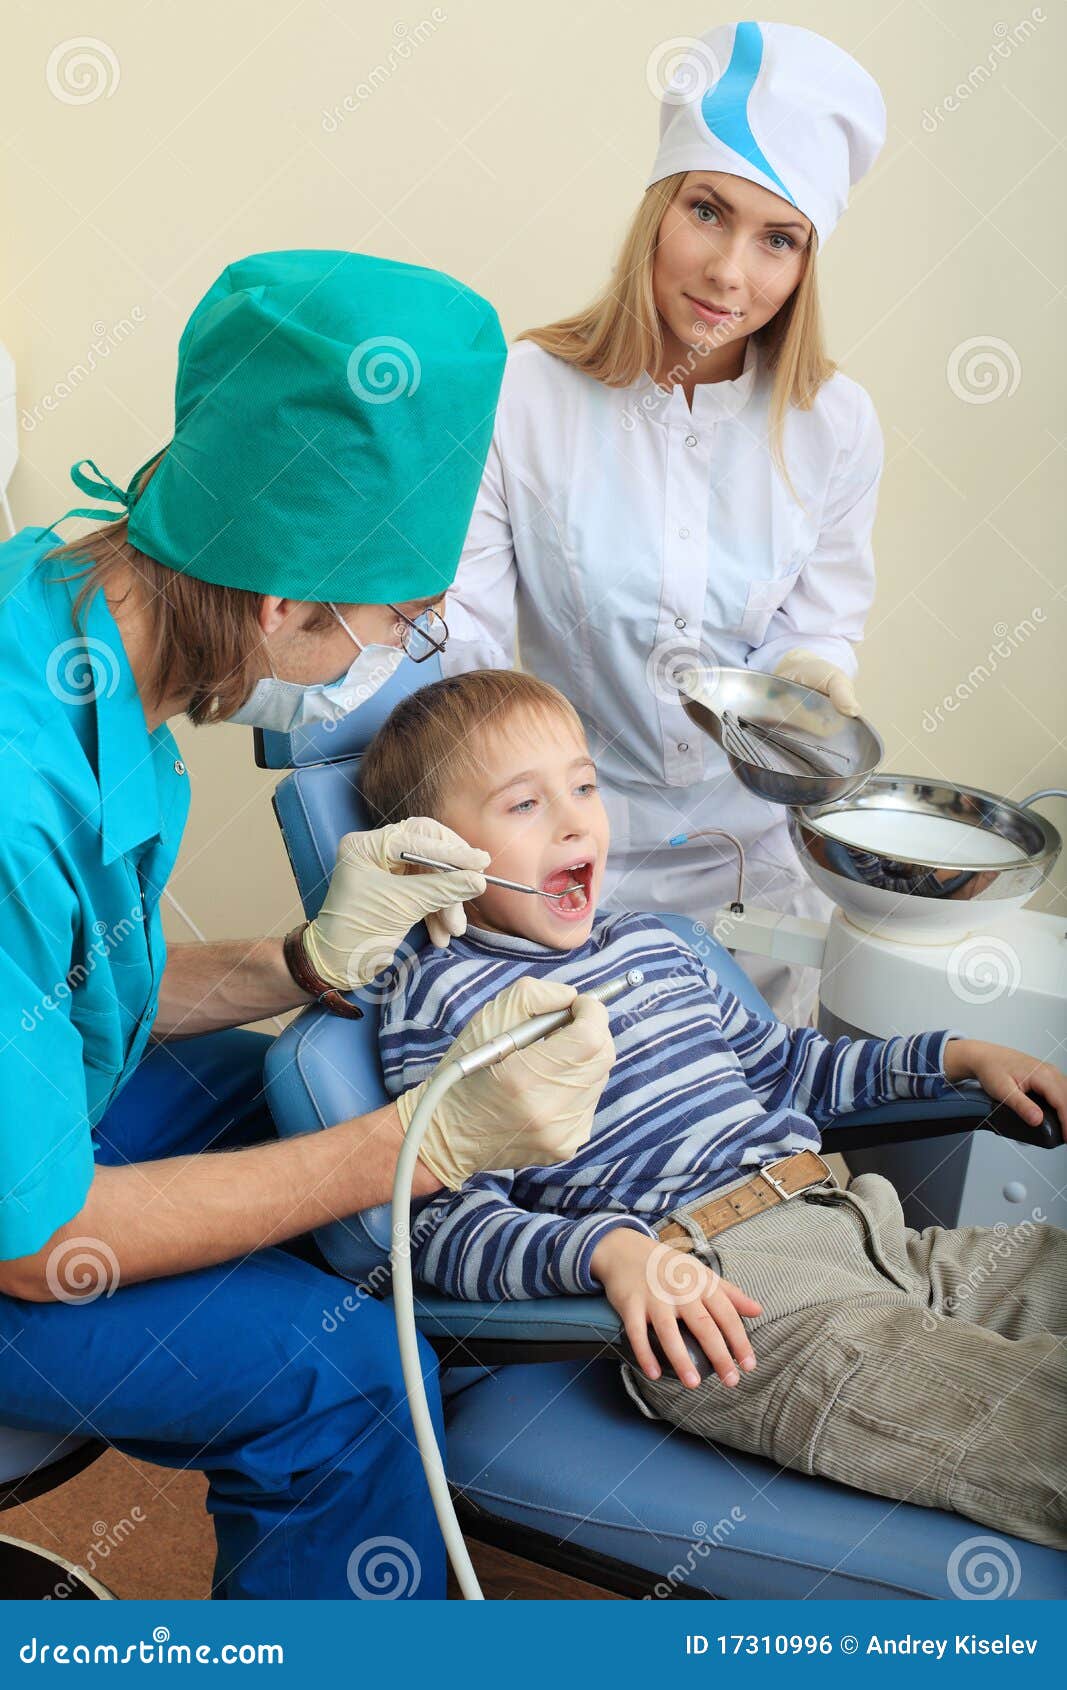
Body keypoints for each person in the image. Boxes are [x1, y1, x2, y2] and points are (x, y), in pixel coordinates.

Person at [0, 251, 617, 1600]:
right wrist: (425, 1142)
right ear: (282, 604)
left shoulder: (78, 620)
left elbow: (59, 988)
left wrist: (302, 963)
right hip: (19, 1232)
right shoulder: (12, 788)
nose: (393, 654)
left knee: (276, 1095)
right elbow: (38, 1242)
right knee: (343, 1370)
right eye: (395, 623)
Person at [358, 668, 1067, 1550]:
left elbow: (787, 1070)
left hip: (862, 1231)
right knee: (1037, 1421)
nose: (577, 819)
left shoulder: (656, 943)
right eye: (524, 806)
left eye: (582, 786)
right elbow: (435, 1224)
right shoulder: (440, 1003)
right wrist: (605, 1251)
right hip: (732, 1306)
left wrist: (955, 1055)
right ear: (432, 852)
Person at [440, 21, 889, 1019]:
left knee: (752, 1128)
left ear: (806, 262)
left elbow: (815, 626)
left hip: (752, 867)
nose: (731, 272)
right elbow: (465, 648)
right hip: (557, 857)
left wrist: (812, 677)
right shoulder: (522, 396)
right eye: (706, 211)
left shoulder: (835, 427)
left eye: (777, 239)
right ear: (656, 208)